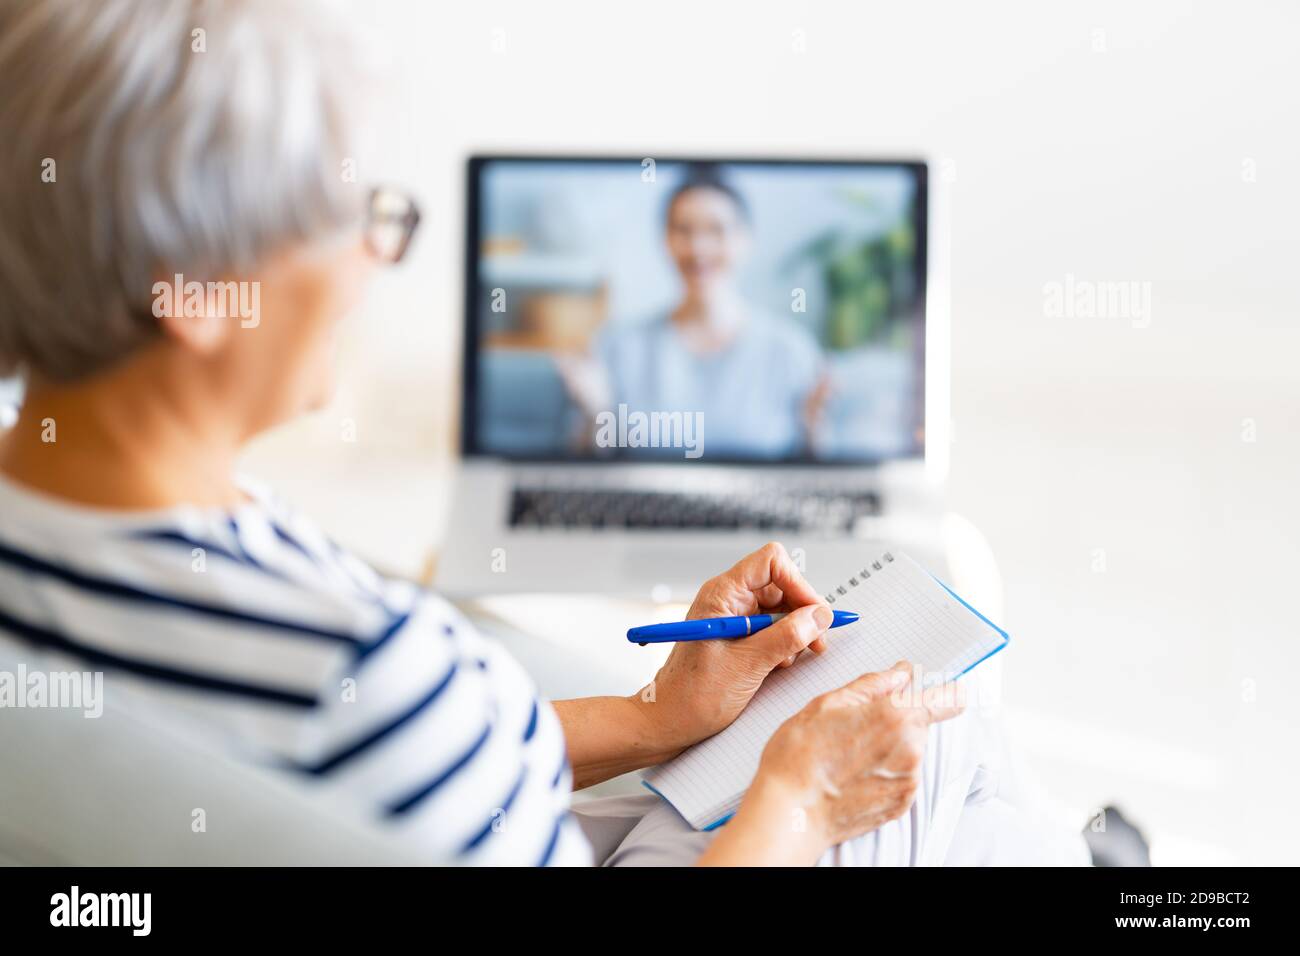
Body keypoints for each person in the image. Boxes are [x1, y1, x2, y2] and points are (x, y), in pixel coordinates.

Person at [0, 0, 1083, 866]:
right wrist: (801, 799)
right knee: (946, 737)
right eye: (352, 213)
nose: (377, 257)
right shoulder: (376, 665)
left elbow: (430, 747)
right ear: (192, 294)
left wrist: (655, 713)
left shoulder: (67, 519)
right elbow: (406, 723)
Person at [562, 166, 830, 459]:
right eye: (683, 230)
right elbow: (586, 472)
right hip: (649, 503)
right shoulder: (619, 347)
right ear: (665, 240)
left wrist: (816, 430)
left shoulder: (790, 350)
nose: (698, 247)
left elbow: (813, 468)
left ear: (745, 240)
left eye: (716, 229)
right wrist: (596, 415)